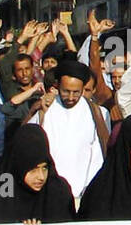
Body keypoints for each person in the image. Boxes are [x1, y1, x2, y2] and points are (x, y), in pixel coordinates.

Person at [25, 59, 107, 206]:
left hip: (85, 194)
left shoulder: (97, 113)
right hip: (49, 193)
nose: (70, 97)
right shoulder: (45, 108)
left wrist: (89, 191)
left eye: (76, 92)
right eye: (65, 91)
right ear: (57, 86)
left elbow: (98, 156)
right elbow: (29, 145)